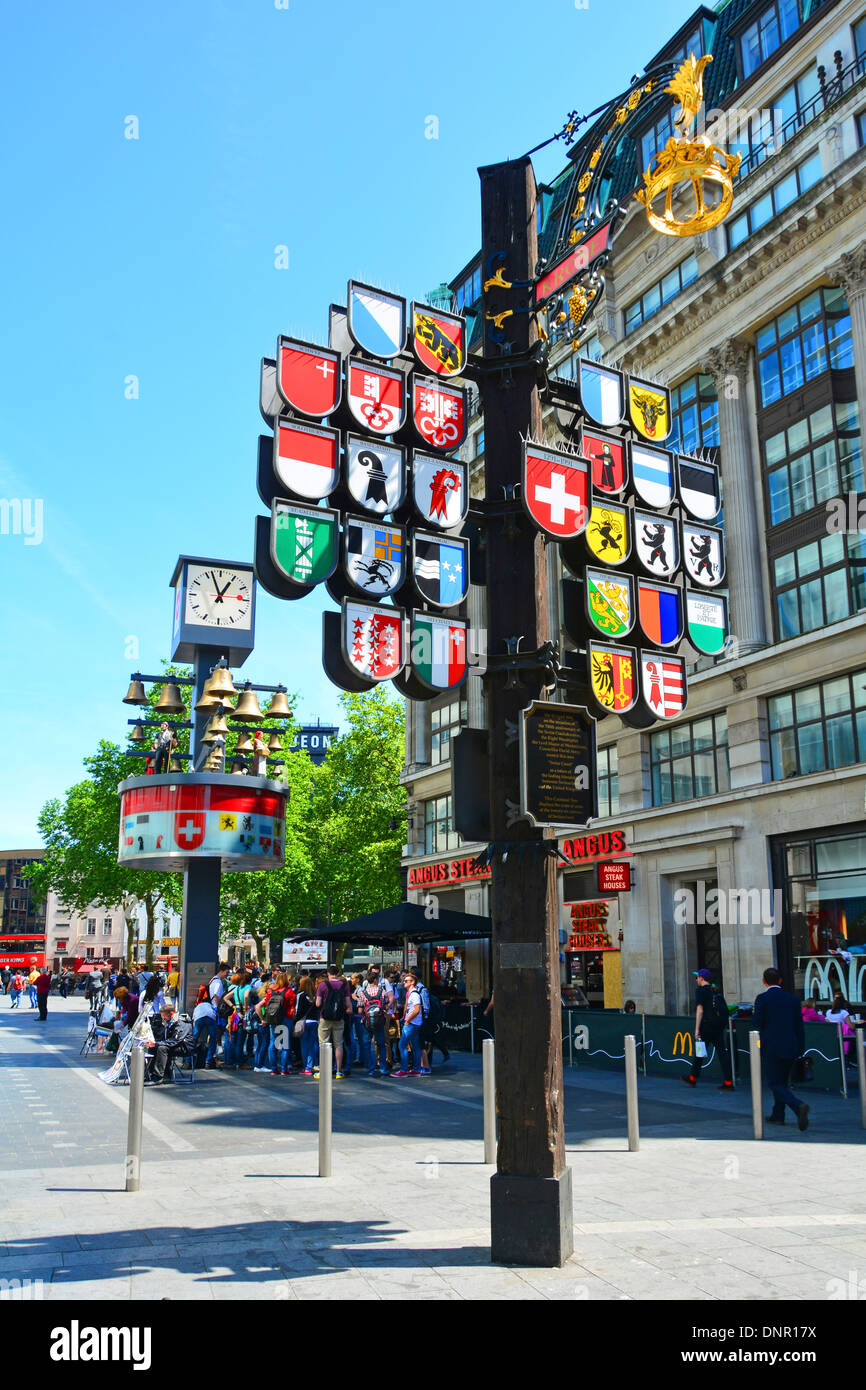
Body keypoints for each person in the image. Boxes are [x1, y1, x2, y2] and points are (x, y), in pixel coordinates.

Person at [753, 967, 809, 1130]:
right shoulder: (792, 999)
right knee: (782, 1082)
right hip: (791, 1045)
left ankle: (797, 1105)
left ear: (764, 981)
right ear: (780, 981)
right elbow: (799, 1026)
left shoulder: (762, 999)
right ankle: (778, 1115)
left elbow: (756, 1022)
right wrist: (800, 1047)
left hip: (771, 1046)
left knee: (774, 1083)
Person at [681, 969, 733, 1091]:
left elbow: (700, 1010)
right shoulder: (715, 989)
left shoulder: (700, 991)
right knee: (722, 1053)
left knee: (700, 1052)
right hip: (718, 1026)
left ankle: (693, 1078)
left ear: (702, 978)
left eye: (697, 977)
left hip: (706, 1026)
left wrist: (696, 1029)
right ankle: (728, 1081)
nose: (696, 979)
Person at [315, 964, 352, 1079]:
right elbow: (348, 1003)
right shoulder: (344, 985)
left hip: (325, 1018)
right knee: (339, 1044)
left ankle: (324, 1071)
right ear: (338, 973)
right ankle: (339, 1071)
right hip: (339, 1017)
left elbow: (318, 1003)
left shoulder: (322, 985)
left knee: (324, 1044)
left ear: (328, 973)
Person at [145, 1004, 194, 1084]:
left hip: (184, 1047)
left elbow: (176, 1040)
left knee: (162, 1048)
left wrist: (158, 1044)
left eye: (164, 1016)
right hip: (175, 1044)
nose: (163, 1018)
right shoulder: (170, 1022)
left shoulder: (181, 1023)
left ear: (171, 1014)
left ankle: (158, 1076)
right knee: (154, 1047)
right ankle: (150, 1074)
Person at [259, 971, 295, 1076]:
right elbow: (292, 1008)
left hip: (273, 1019)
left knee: (273, 1043)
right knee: (285, 1044)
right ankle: (284, 1069)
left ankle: (274, 1068)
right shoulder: (289, 992)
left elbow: (265, 1005)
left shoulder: (270, 991)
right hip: (286, 1018)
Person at [357, 968, 391, 1076]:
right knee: (381, 1044)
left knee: (367, 1044)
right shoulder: (382, 991)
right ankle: (383, 1068)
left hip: (366, 1022)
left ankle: (371, 1068)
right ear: (376, 980)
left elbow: (360, 1010)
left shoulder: (363, 993)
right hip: (379, 1021)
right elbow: (385, 1006)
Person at [393, 970, 424, 1077]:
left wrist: (407, 1020)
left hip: (412, 1023)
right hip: (414, 1023)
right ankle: (416, 1069)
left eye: (406, 980)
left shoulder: (414, 994)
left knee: (402, 1045)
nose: (404, 982)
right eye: (404, 980)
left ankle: (404, 1069)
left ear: (412, 982)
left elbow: (416, 1009)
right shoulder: (410, 993)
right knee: (415, 1046)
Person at [295, 975, 319, 1075]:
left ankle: (307, 1067)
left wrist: (296, 1020)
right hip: (314, 1021)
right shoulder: (315, 995)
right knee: (314, 1044)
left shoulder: (300, 995)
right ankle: (316, 1064)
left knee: (304, 1045)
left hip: (304, 1022)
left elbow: (298, 1010)